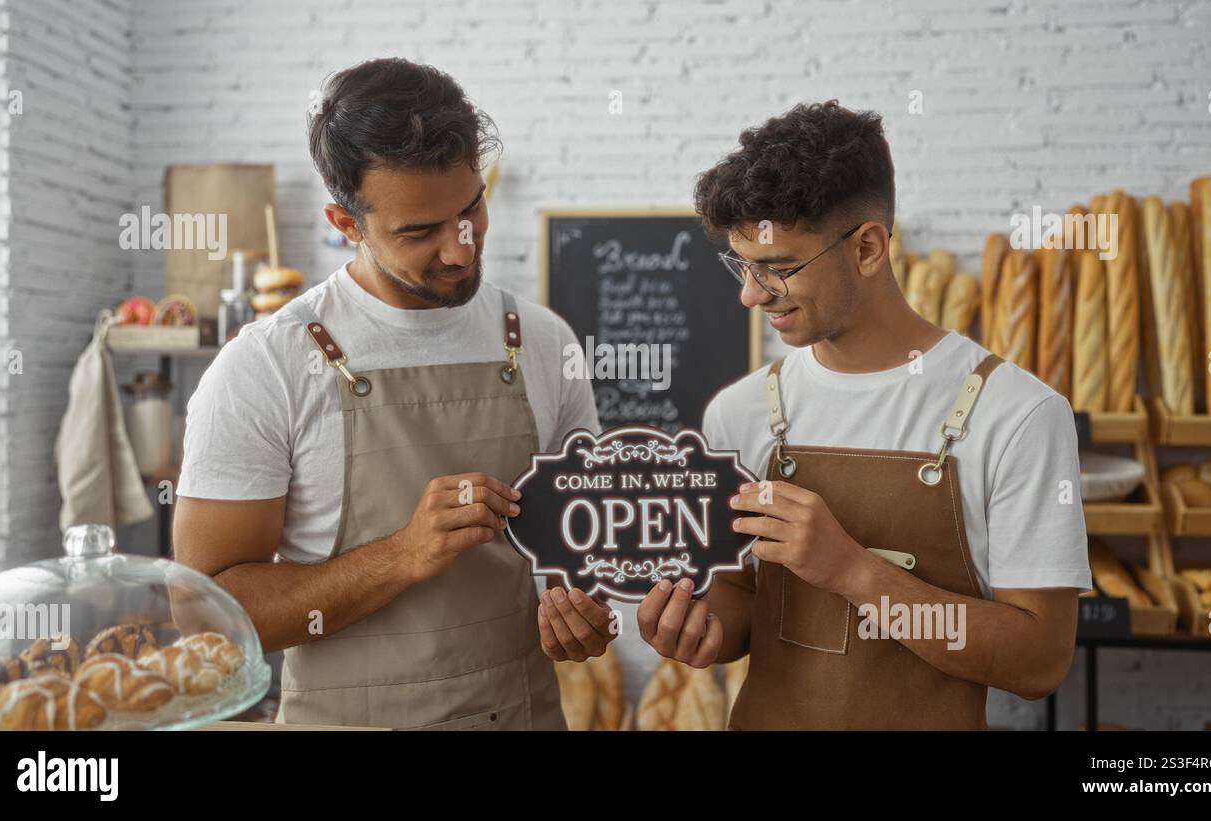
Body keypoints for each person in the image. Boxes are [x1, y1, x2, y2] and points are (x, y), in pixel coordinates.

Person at [174, 58, 611, 730]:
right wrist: (402, 553)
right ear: (345, 223)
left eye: (470, 211)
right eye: (418, 232)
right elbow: (208, 613)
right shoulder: (265, 365)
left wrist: (579, 608)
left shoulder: (546, 343)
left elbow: (583, 550)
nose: (460, 251)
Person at [638, 101, 1090, 728]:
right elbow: (742, 600)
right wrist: (702, 630)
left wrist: (852, 570)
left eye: (778, 269)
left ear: (870, 249)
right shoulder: (737, 413)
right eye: (742, 266)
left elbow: (1038, 661)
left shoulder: (1017, 414)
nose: (749, 294)